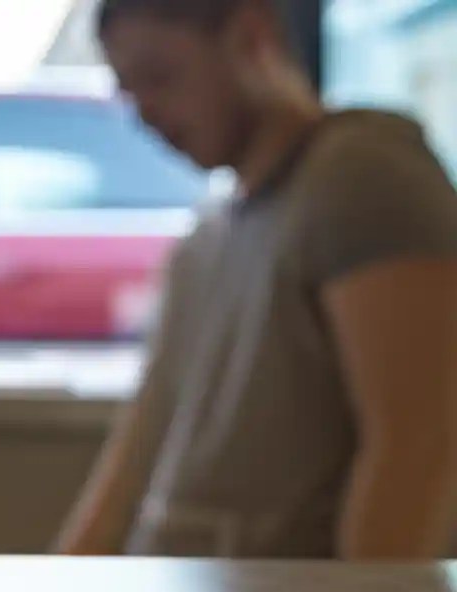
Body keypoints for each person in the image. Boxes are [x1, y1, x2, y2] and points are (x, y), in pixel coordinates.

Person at [55, 0, 457, 559]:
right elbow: (130, 465)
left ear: (250, 35)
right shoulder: (206, 240)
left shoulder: (364, 175)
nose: (143, 111)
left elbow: (416, 448)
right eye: (128, 89)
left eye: (160, 76)